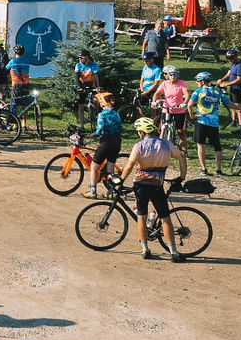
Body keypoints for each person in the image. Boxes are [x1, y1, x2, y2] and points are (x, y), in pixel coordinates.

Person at [117, 117, 187, 261]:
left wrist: (120, 181)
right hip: (157, 186)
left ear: (142, 133)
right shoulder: (166, 144)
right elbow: (182, 158)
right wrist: (181, 177)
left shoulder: (139, 146)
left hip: (140, 186)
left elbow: (129, 165)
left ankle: (145, 249)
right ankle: (173, 252)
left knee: (141, 217)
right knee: (165, 218)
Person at [187, 72, 228, 176]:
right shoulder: (218, 92)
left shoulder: (198, 91)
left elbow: (189, 105)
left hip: (201, 121)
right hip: (214, 123)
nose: (196, 83)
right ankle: (218, 170)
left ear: (202, 81)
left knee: (201, 145)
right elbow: (230, 104)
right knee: (217, 146)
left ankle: (204, 169)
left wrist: (192, 116)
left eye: (197, 81)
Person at [86, 92, 123, 198]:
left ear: (102, 103)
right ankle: (110, 192)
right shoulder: (116, 113)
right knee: (110, 168)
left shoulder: (102, 115)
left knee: (94, 166)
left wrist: (89, 135)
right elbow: (120, 128)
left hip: (106, 143)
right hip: (117, 142)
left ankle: (93, 191)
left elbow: (99, 131)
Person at [151, 66, 188, 143]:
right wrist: (154, 101)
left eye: (175, 74)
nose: (173, 76)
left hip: (178, 110)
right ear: (168, 75)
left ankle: (185, 152)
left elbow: (187, 94)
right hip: (166, 110)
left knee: (180, 132)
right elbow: (157, 93)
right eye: (171, 74)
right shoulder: (165, 83)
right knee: (162, 129)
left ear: (178, 75)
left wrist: (184, 103)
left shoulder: (181, 83)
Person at [219, 48, 241, 126]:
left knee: (237, 107)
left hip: (238, 88)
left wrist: (226, 84)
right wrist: (222, 79)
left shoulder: (240, 66)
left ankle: (240, 126)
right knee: (232, 105)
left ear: (235, 57)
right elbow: (229, 74)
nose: (230, 61)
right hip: (233, 88)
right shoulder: (233, 64)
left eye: (230, 59)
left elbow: (239, 80)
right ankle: (234, 121)